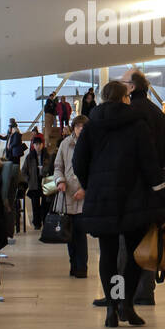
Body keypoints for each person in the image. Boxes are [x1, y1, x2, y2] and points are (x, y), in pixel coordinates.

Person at [71, 80, 165, 328]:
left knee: (109, 254)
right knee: (135, 255)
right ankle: (127, 304)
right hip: (134, 198)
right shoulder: (137, 125)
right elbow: (149, 162)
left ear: (103, 99)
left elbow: (78, 161)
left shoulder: (92, 127)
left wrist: (91, 184)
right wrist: (159, 190)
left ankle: (112, 308)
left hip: (103, 199)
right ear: (125, 98)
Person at [125, 68, 165, 305]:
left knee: (124, 242)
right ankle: (145, 291)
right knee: (149, 238)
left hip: (130, 187)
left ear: (132, 87)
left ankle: (123, 293)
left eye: (124, 82)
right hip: (153, 188)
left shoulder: (127, 114)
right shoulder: (157, 113)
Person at [55, 114, 89, 277]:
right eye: (77, 126)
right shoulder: (65, 144)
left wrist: (85, 189)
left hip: (83, 197)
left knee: (81, 234)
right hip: (67, 194)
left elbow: (95, 170)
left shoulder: (93, 144)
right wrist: (60, 181)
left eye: (83, 126)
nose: (80, 129)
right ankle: (73, 265)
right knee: (69, 234)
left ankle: (82, 267)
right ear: (73, 128)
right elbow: (58, 166)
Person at [21, 133, 47, 229]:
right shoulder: (30, 157)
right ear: (33, 145)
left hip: (45, 182)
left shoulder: (47, 155)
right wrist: (28, 180)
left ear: (42, 144)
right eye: (36, 144)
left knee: (45, 205)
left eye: (39, 144)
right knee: (35, 204)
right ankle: (37, 223)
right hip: (34, 183)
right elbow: (23, 171)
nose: (38, 146)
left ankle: (45, 222)